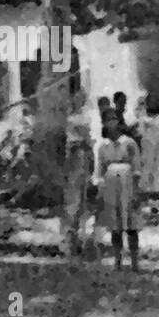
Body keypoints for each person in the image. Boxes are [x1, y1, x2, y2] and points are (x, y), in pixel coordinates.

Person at [94, 112, 142, 271]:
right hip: (111, 182)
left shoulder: (129, 143)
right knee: (115, 222)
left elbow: (136, 167)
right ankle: (118, 259)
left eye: (113, 120)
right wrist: (100, 188)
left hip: (126, 180)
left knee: (131, 220)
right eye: (107, 121)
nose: (111, 124)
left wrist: (136, 190)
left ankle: (134, 260)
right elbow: (100, 169)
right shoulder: (103, 146)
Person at [62, 89, 95, 256]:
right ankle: (70, 238)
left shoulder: (87, 117)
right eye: (77, 99)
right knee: (73, 200)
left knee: (84, 199)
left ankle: (81, 238)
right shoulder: (71, 119)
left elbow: (88, 140)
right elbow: (72, 143)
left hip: (85, 160)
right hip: (75, 159)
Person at [136, 96, 159, 202]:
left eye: (154, 101)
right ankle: (148, 197)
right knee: (147, 171)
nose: (152, 103)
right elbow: (140, 133)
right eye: (150, 102)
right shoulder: (142, 117)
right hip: (147, 149)